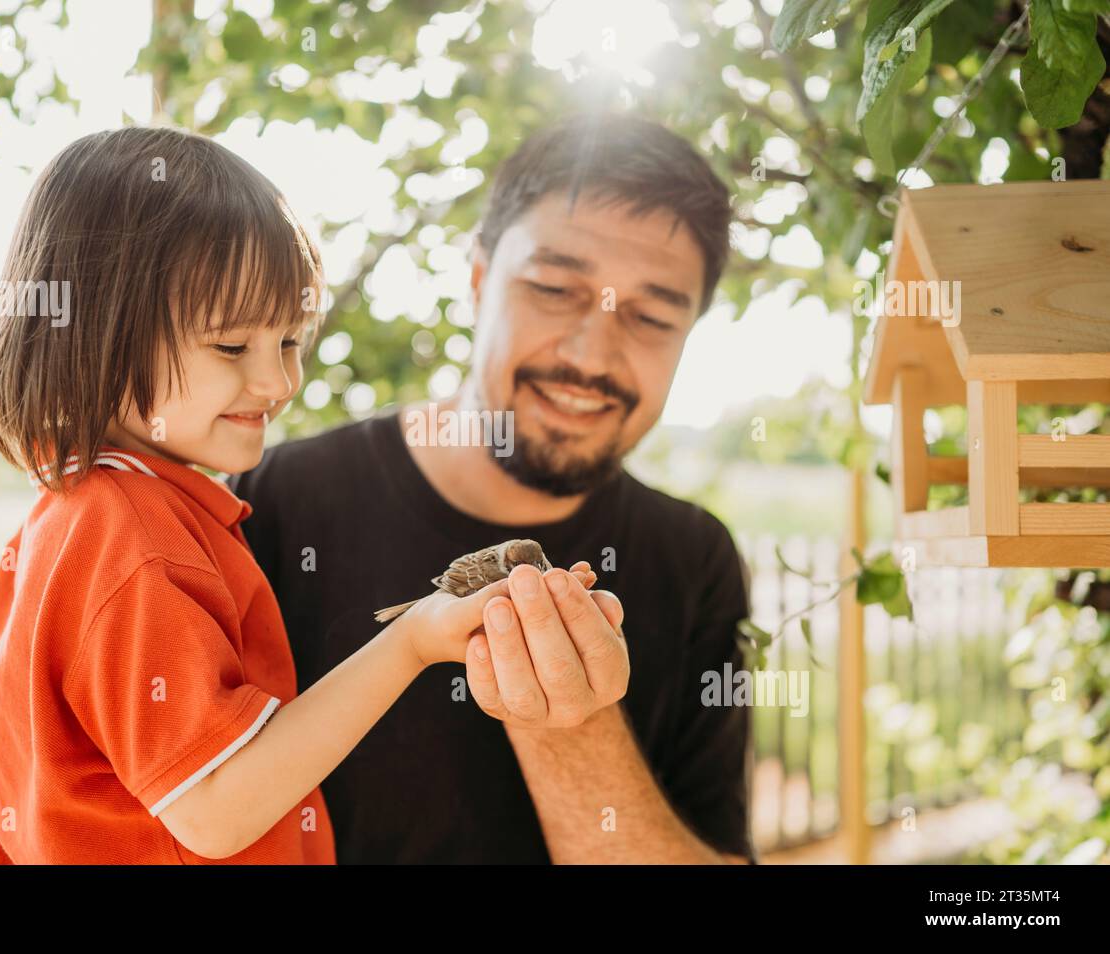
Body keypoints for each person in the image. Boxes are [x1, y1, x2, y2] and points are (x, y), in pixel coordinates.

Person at [0, 125, 601, 864]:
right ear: (95, 335)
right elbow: (216, 808)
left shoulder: (83, 516)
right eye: (232, 346)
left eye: (289, 341)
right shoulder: (131, 535)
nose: (278, 382)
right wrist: (413, 641)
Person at [231, 113, 755, 863]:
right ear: (478, 281)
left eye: (649, 316)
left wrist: (568, 725)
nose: (591, 354)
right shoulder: (276, 500)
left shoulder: (696, 559)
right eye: (553, 288)